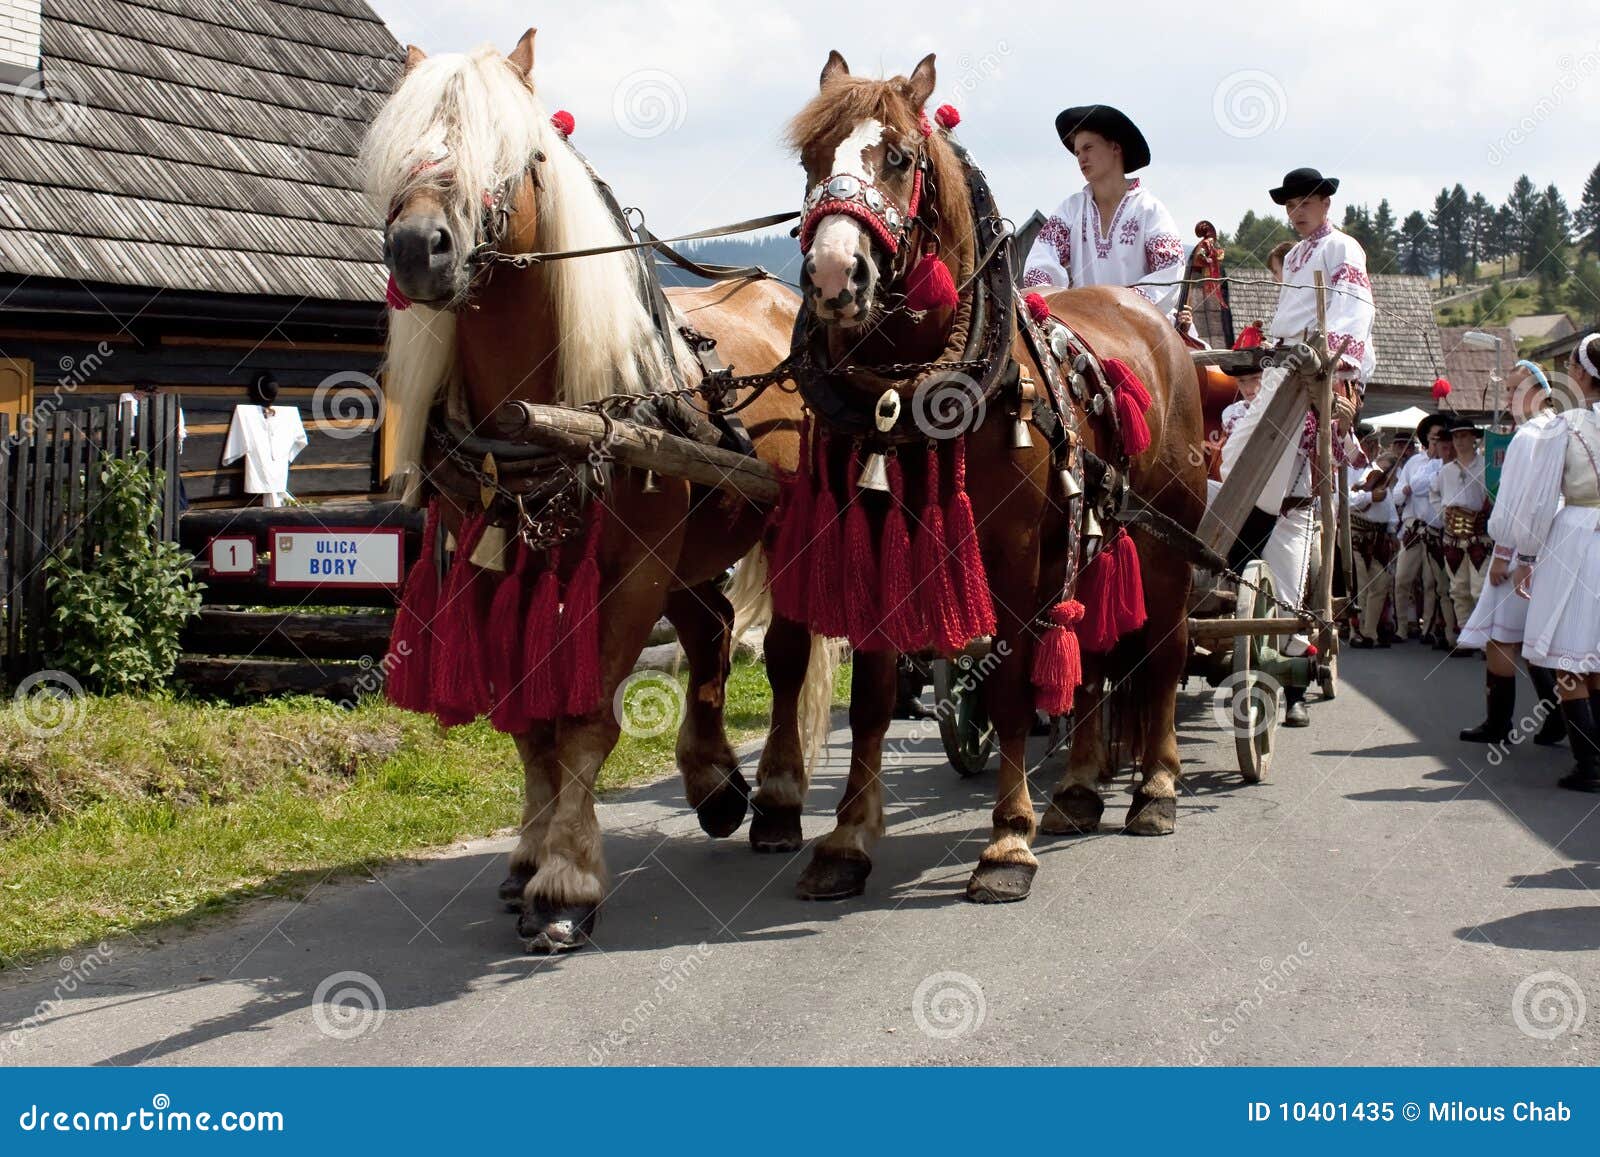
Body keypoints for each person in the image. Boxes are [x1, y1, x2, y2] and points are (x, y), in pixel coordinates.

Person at [1220, 167, 1374, 727]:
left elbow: (1354, 309)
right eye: (1290, 205)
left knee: (1291, 535)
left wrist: (1332, 369)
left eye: (1305, 202)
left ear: (1326, 202)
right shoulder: (1298, 258)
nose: (1297, 211)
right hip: (1284, 367)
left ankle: (1293, 677)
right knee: (1236, 459)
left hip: (1313, 371)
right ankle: (1229, 548)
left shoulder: (1341, 247)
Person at [1499, 333, 1600, 792]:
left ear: (1579, 373)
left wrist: (1526, 555)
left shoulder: (1565, 425)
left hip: (1576, 535)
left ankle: (1590, 765)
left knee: (1567, 656)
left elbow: (1540, 500)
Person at [1458, 362, 1565, 746]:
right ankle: (1556, 717)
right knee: (1533, 637)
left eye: (1514, 389)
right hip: (1554, 543)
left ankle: (1500, 722)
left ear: (1538, 392)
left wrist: (1504, 553)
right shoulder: (1560, 429)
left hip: (1522, 546)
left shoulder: (1528, 436)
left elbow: (1517, 501)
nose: (1508, 398)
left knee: (1502, 636)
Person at [1023, 105, 1185, 318]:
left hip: (1140, 324)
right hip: (1086, 324)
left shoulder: (1149, 209)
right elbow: (1041, 260)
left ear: (1115, 147)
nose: (1081, 158)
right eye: (1077, 152)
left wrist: (1121, 307)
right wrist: (1059, 305)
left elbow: (1169, 273)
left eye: (1088, 148)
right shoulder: (1071, 209)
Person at [1434, 419, 1492, 656]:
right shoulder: (1445, 471)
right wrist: (1443, 514)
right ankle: (1467, 636)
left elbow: (1495, 497)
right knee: (1458, 589)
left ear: (1473, 438)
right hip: (1453, 537)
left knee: (1480, 590)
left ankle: (1485, 640)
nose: (1459, 441)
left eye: (1464, 436)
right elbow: (1434, 494)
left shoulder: (1486, 467)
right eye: (1456, 437)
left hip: (1479, 535)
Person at [1393, 414, 1450, 642]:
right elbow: (1397, 495)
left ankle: (1428, 628)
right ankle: (1401, 628)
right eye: (1433, 437)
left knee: (1430, 583)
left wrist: (1416, 487)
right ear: (1426, 438)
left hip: (1435, 529)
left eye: (1440, 437)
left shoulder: (1447, 464)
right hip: (1412, 527)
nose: (1436, 441)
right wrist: (1405, 490)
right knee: (1402, 579)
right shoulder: (1414, 463)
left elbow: (1432, 489)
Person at [1348, 458, 1397, 648]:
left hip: (1379, 538)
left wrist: (1392, 531)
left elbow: (1389, 505)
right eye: (1367, 443)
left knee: (1381, 583)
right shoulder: (1347, 472)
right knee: (1359, 586)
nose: (1370, 447)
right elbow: (1343, 501)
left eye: (1373, 444)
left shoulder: (1378, 475)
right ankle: (1357, 632)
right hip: (1357, 536)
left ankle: (1370, 631)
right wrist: (1369, 497)